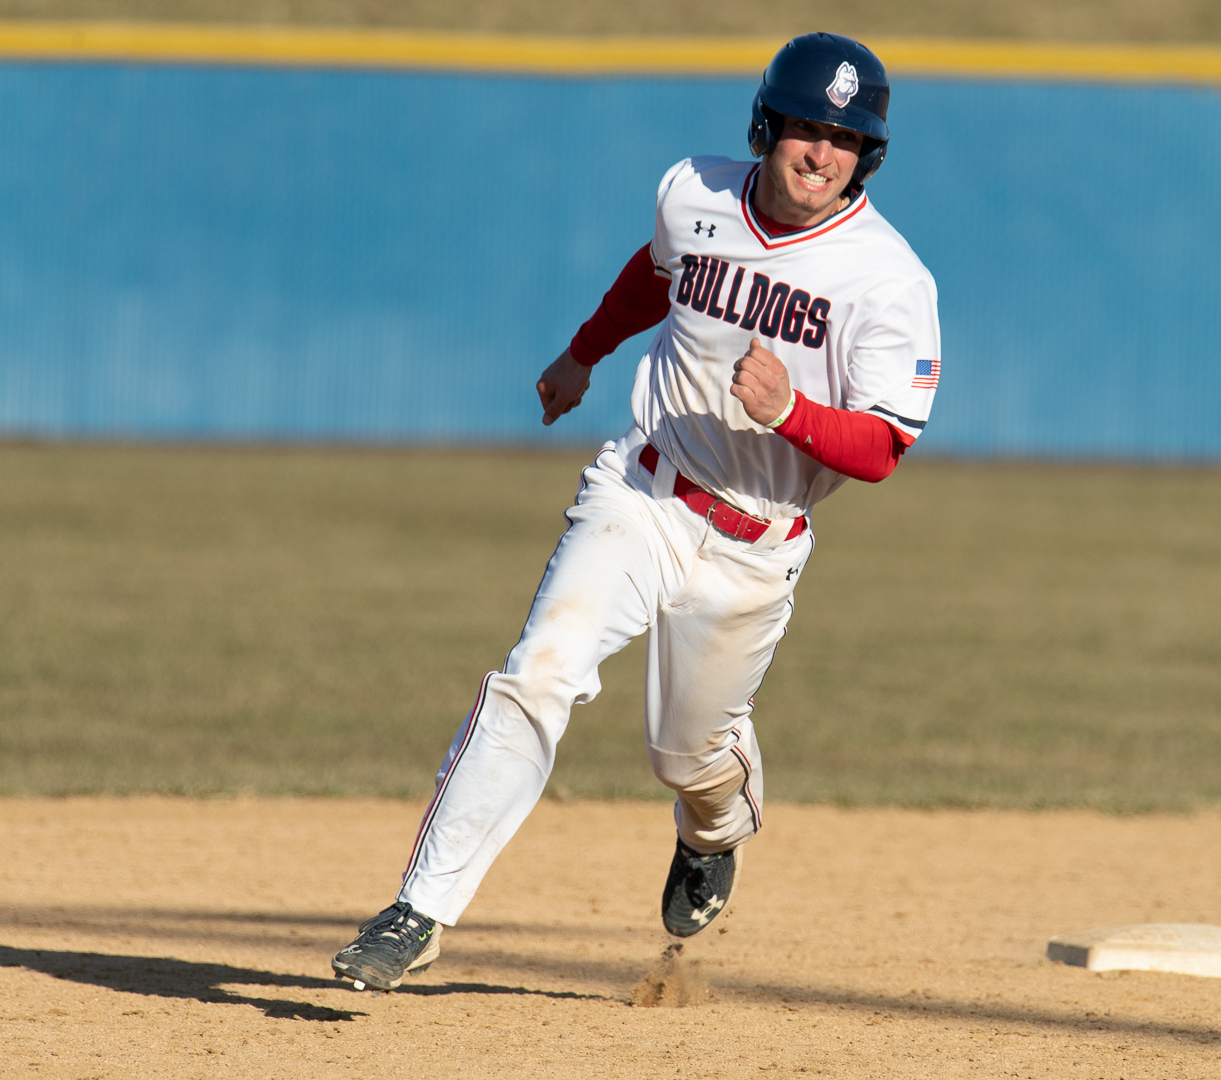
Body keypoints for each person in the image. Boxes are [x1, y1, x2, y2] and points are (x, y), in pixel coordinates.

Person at [332, 31, 941, 991]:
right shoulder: (695, 191)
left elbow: (884, 446)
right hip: (642, 489)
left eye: (844, 137)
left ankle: (713, 834)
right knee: (539, 670)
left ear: (868, 153)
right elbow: (654, 275)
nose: (821, 153)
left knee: (687, 757)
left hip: (754, 542)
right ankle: (420, 908)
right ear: (765, 125)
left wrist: (790, 411)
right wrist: (584, 352)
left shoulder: (887, 279)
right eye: (804, 129)